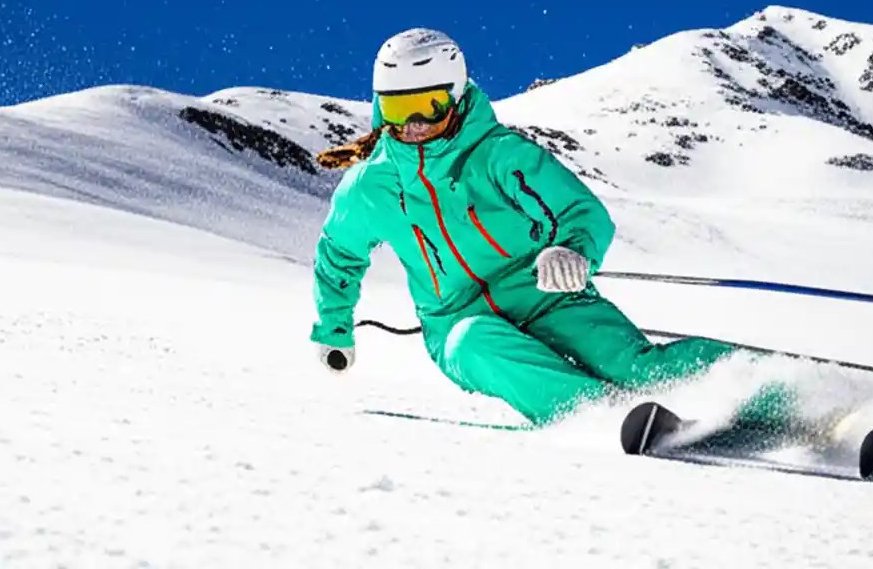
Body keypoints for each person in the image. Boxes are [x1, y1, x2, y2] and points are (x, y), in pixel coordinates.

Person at [309, 28, 745, 426]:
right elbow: (339, 255)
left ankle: (770, 388)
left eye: (428, 106)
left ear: (456, 97)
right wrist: (334, 331)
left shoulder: (501, 156)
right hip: (458, 319)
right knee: (471, 341)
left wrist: (573, 250)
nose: (414, 125)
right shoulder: (371, 187)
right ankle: (606, 417)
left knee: (639, 368)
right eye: (399, 108)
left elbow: (579, 210)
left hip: (548, 295)